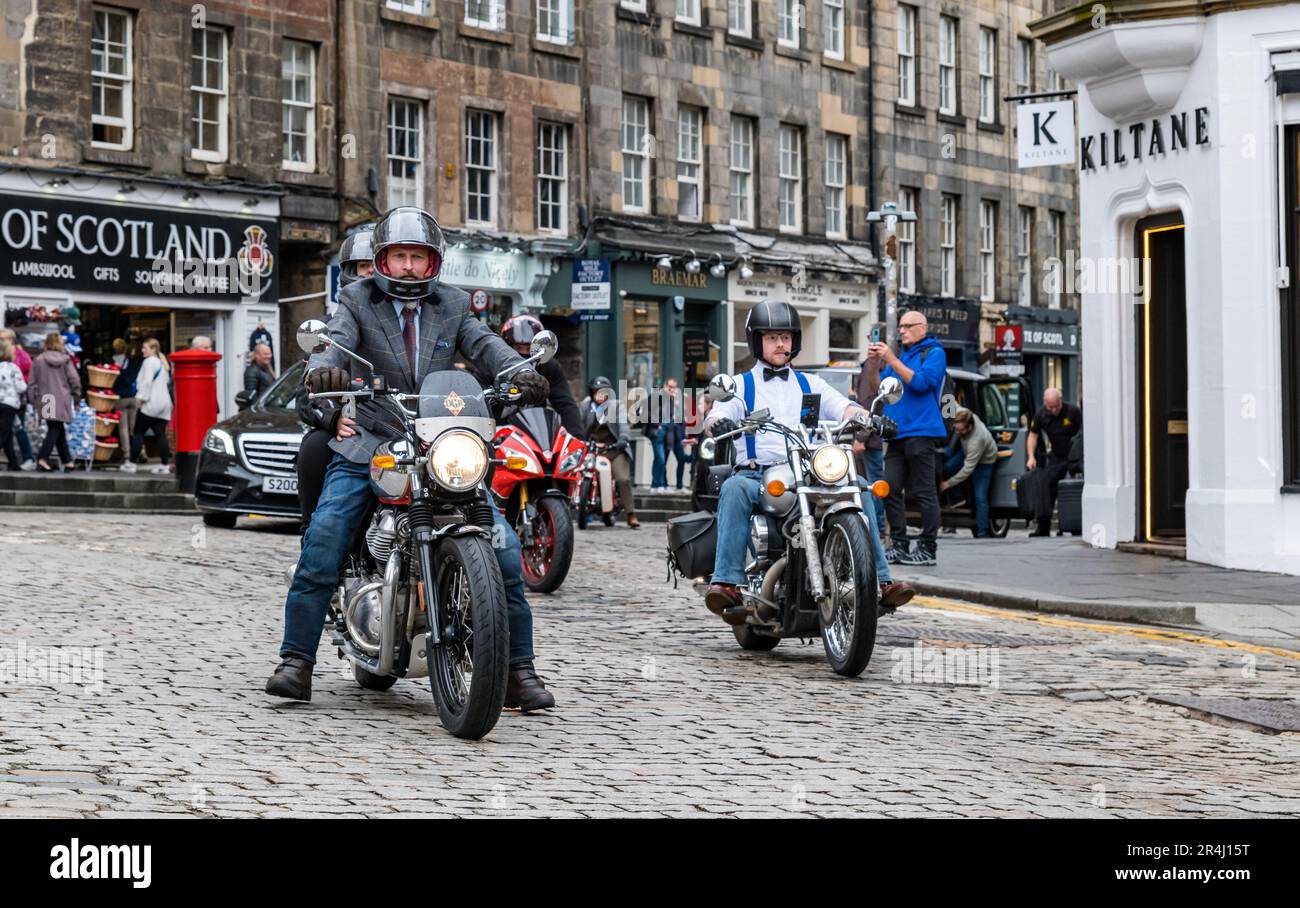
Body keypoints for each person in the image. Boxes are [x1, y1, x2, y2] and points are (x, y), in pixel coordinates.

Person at [266, 206, 555, 711]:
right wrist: (324, 373)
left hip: (441, 442)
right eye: (397, 256)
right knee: (327, 535)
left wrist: (519, 371)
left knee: (505, 550)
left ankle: (517, 670)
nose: (406, 267)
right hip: (372, 440)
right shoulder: (356, 300)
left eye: (416, 258)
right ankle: (297, 662)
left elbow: (486, 347)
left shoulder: (454, 304)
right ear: (381, 260)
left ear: (432, 263)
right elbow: (332, 346)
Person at [703, 299, 913, 624]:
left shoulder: (809, 385)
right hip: (759, 476)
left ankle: (880, 581)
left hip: (809, 472)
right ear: (757, 341)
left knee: (859, 486)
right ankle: (727, 582)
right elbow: (718, 412)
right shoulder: (742, 385)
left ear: (794, 342)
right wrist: (718, 423)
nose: (780, 344)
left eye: (785, 337)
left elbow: (843, 407)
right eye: (772, 337)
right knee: (732, 488)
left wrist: (869, 419)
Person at [295, 227, 377, 538]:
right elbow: (305, 397)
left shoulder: (410, 323)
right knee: (314, 446)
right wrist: (331, 418)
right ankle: (311, 531)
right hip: (351, 427)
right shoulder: (330, 329)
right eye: (362, 266)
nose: (370, 271)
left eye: (375, 263)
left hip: (399, 424)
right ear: (348, 272)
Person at [869, 311, 948, 566]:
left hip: (922, 432)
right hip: (897, 433)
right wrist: (873, 363)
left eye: (907, 326)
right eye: (900, 327)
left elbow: (922, 383)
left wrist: (892, 359)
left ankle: (928, 546)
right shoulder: (901, 358)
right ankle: (900, 544)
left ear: (922, 327)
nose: (901, 331)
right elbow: (878, 389)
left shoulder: (934, 353)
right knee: (889, 488)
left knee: (925, 492)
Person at [498, 315, 585, 439]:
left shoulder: (549, 366)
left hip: (536, 433)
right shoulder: (492, 367)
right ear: (507, 347)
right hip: (497, 433)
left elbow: (565, 404)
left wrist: (577, 438)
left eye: (529, 348)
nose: (524, 353)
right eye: (518, 347)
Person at [577, 376, 639, 528]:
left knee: (622, 479)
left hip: (614, 448)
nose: (599, 396)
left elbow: (623, 424)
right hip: (593, 448)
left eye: (603, 392)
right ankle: (581, 505)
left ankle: (631, 514)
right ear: (591, 393)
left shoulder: (617, 406)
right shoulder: (585, 406)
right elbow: (578, 426)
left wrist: (623, 438)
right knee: (577, 472)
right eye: (596, 392)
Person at [1026, 388, 1082, 537]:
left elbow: (1084, 432)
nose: (1054, 410)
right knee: (1046, 487)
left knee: (1074, 489)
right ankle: (1043, 527)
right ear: (1045, 403)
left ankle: (1077, 525)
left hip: (1074, 455)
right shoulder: (1041, 414)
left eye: (1056, 406)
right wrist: (1031, 457)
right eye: (1050, 407)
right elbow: (1033, 435)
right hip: (1056, 456)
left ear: (1061, 400)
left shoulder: (1073, 412)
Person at [26, 332, 81, 472]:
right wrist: (76, 398)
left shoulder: (38, 360)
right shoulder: (66, 360)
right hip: (62, 398)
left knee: (56, 427)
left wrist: (33, 401)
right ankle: (43, 458)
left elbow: (31, 383)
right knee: (55, 427)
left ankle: (67, 461)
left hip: (46, 398)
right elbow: (75, 381)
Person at [941, 408, 999, 537]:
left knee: (980, 496)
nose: (958, 432)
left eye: (961, 430)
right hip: (966, 451)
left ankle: (982, 531)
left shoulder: (977, 440)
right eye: (956, 429)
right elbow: (953, 403)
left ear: (970, 427)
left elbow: (967, 469)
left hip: (985, 461)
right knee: (948, 467)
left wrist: (948, 484)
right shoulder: (964, 413)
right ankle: (959, 498)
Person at [122, 338, 173, 475]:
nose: (142, 350)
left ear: (153, 349)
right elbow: (167, 381)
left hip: (150, 404)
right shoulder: (161, 363)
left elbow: (146, 383)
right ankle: (164, 465)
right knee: (161, 434)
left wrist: (140, 400)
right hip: (164, 404)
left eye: (145, 348)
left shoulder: (149, 362)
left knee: (138, 432)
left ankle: (132, 464)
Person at [647, 376, 693, 493]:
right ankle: (658, 484)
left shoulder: (675, 400)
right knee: (661, 459)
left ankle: (667, 484)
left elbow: (679, 419)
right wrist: (658, 426)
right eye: (670, 387)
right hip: (661, 431)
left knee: (670, 459)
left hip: (673, 434)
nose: (672, 389)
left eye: (674, 387)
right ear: (665, 386)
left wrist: (684, 435)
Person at [0, 328, 34, 470]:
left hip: (14, 403)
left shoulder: (22, 356)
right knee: (5, 432)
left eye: (2, 339)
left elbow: (30, 374)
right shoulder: (12, 366)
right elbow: (22, 386)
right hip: (11, 402)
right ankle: (18, 461)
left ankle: (20, 460)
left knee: (14, 431)